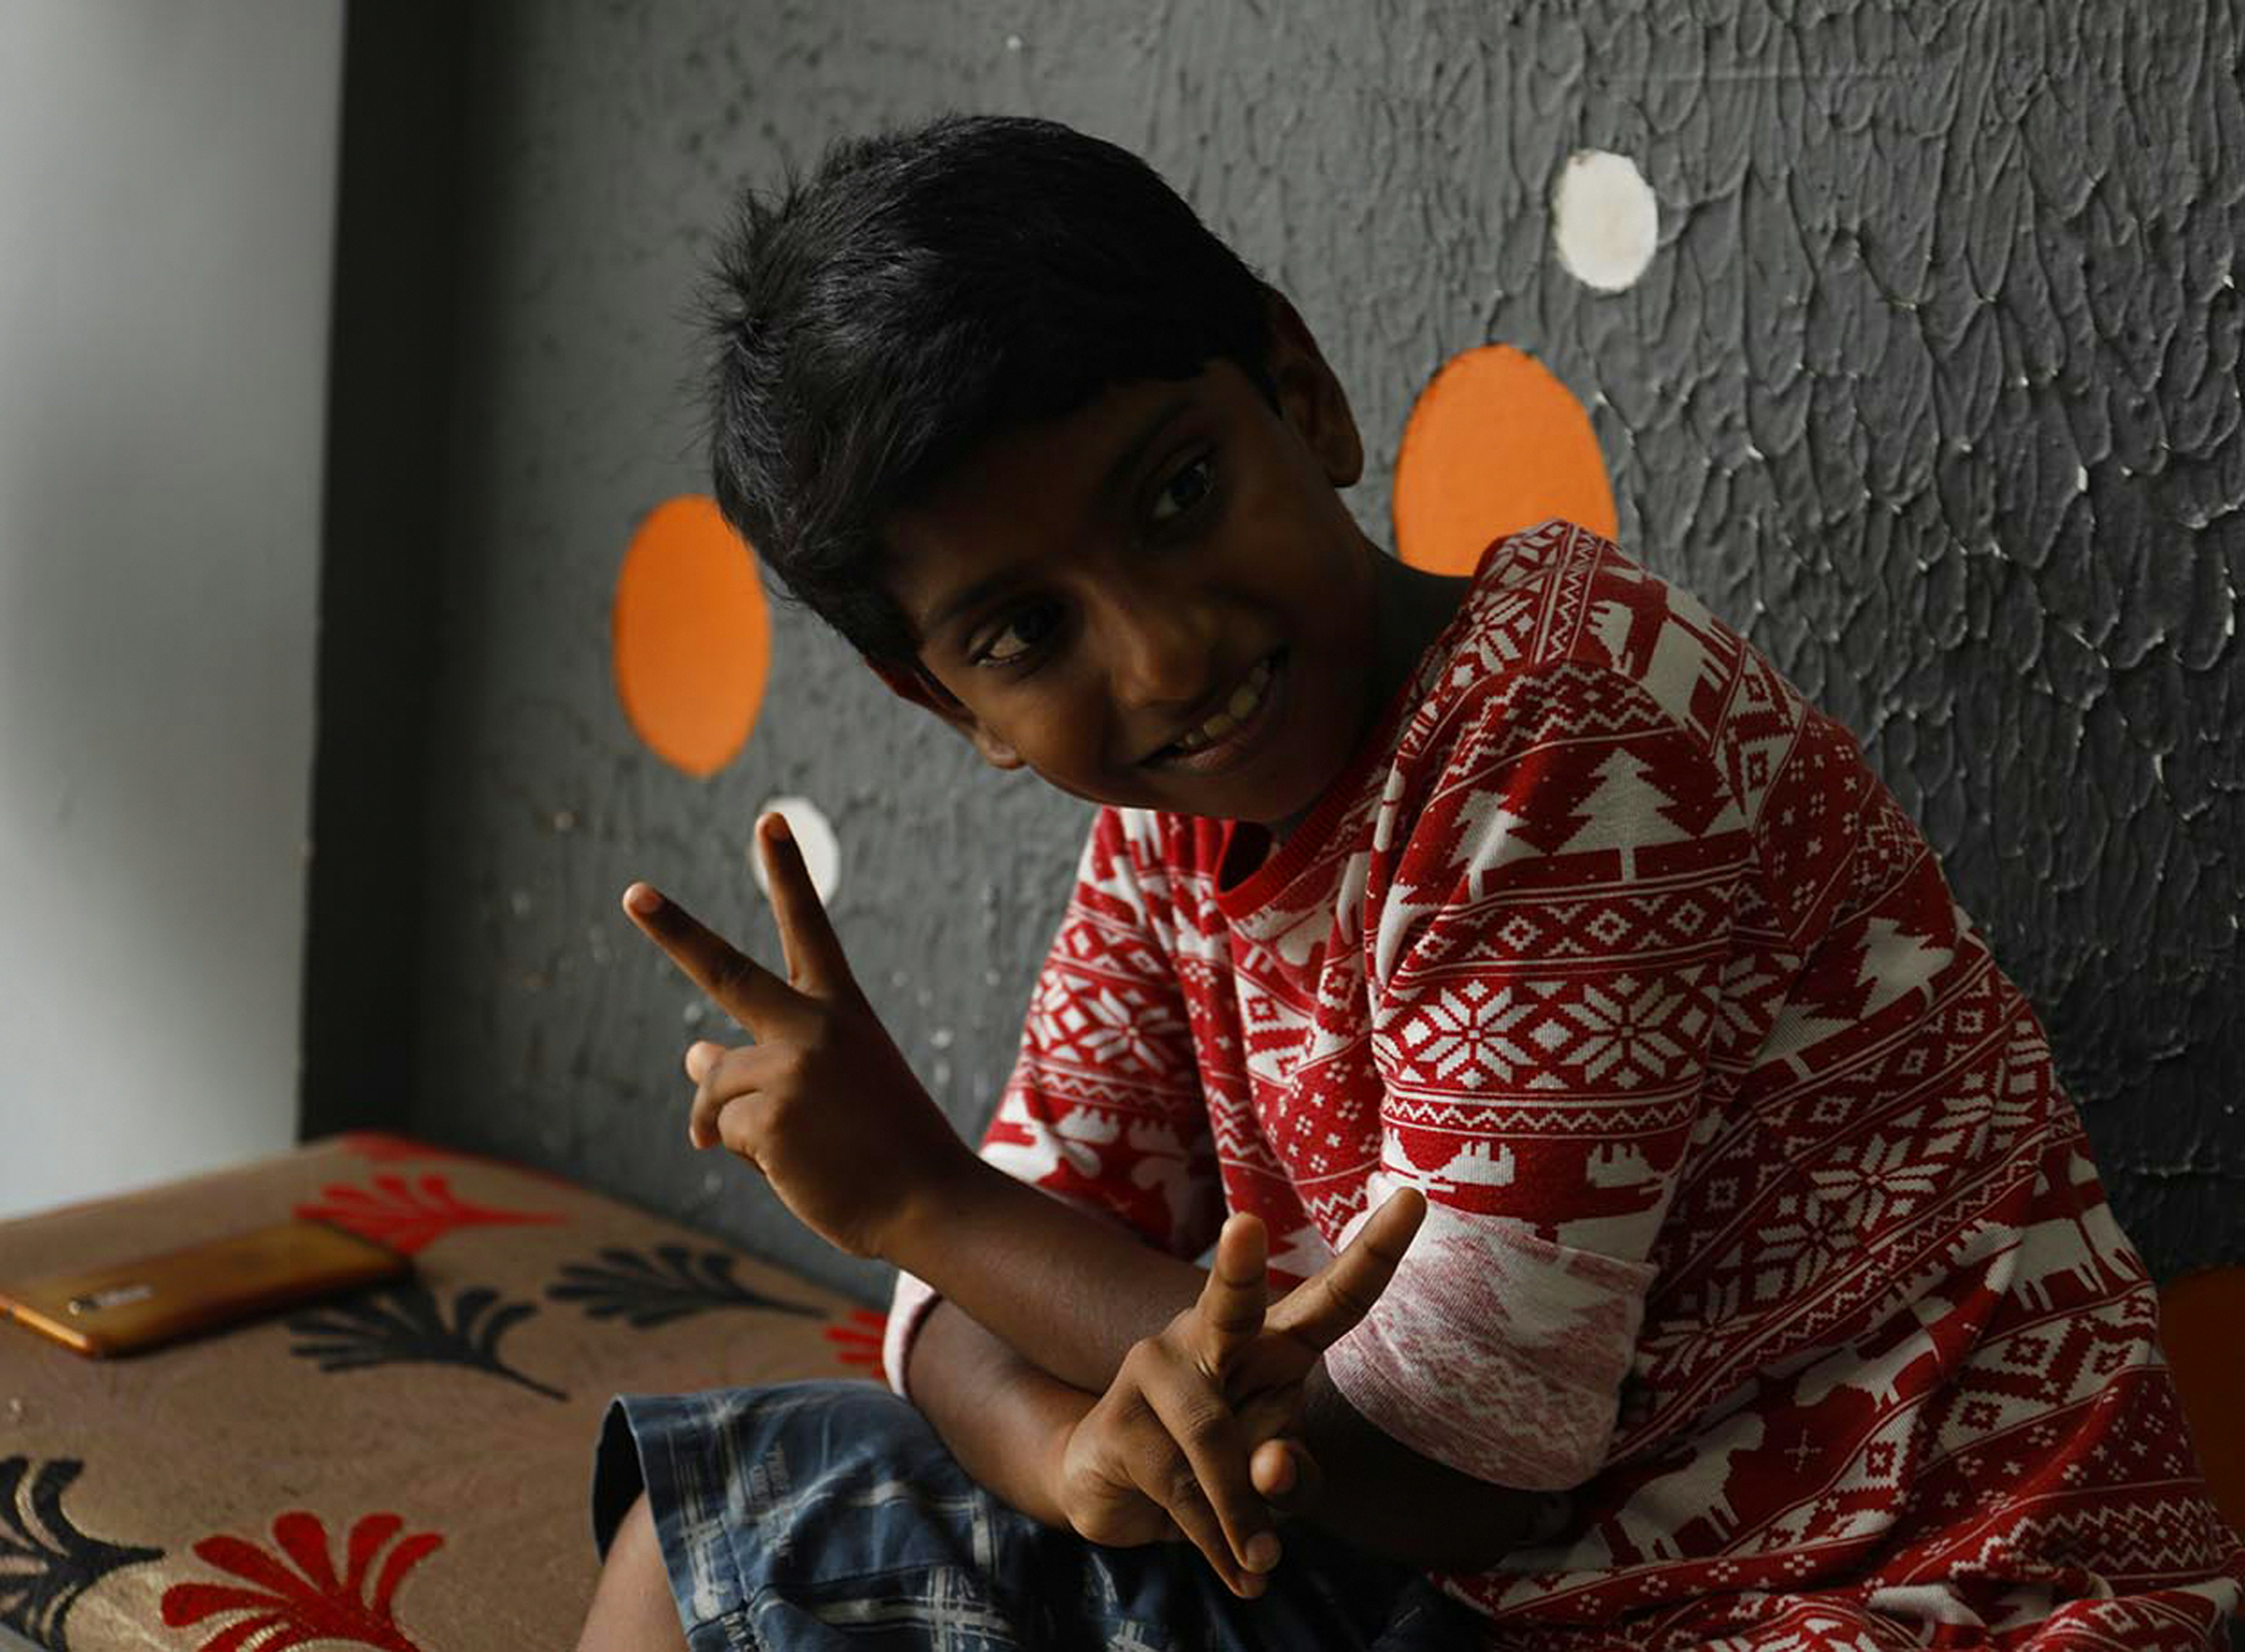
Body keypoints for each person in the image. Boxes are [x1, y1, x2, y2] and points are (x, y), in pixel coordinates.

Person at [578, 114, 2244, 1651]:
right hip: (1493, 1584)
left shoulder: (1572, 724)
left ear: (1304, 399)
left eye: (1175, 495)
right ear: (951, 706)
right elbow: (989, 1288)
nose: (1163, 656)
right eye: (1028, 632)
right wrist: (1070, 1451)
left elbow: (1460, 1460)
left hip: (1902, 1597)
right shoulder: (1165, 842)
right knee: (722, 1524)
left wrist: (917, 1196)